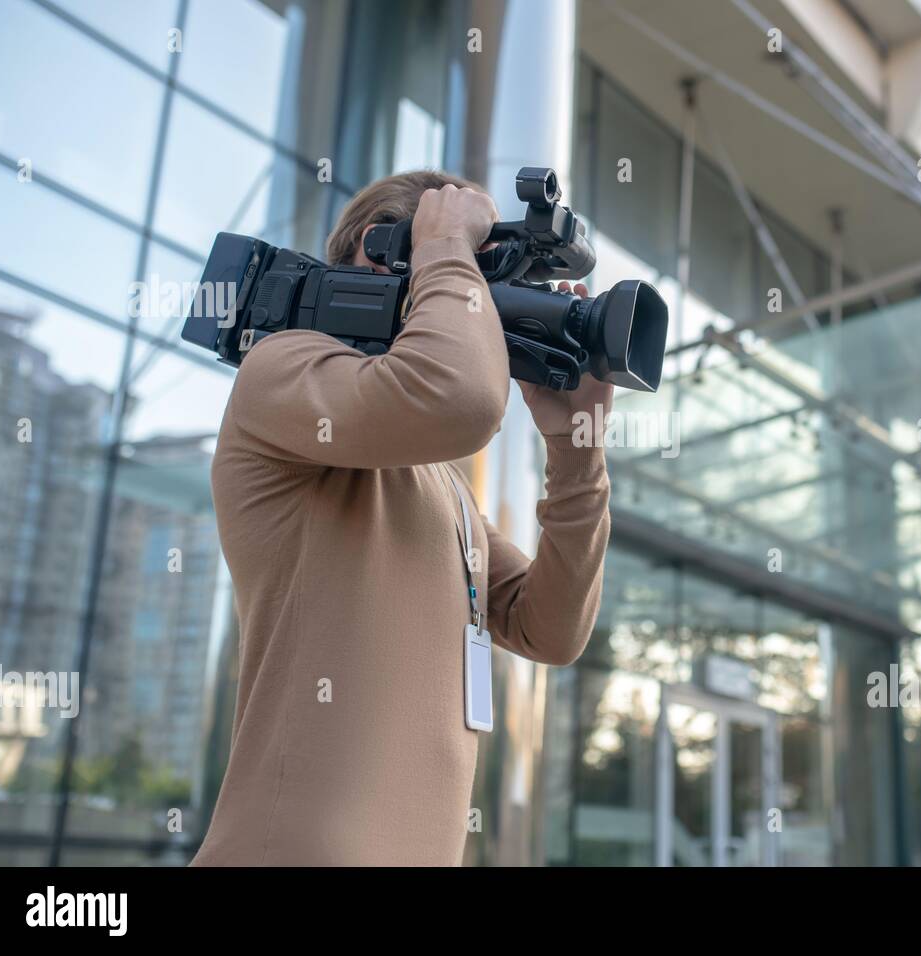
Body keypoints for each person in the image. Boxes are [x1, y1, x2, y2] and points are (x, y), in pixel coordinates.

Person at [190, 171, 612, 865]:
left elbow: (552, 629)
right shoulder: (280, 370)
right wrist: (447, 241)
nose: (472, 302)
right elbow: (459, 401)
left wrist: (577, 447)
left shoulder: (441, 486)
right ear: (378, 252)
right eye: (464, 275)